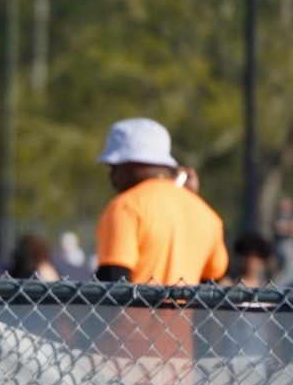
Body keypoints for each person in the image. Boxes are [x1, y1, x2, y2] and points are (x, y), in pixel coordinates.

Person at [92, 118, 227, 284]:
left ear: (134, 163)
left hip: (135, 311)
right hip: (186, 310)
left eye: (115, 167)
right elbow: (213, 279)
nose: (111, 176)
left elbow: (112, 283)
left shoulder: (126, 207)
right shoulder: (207, 215)